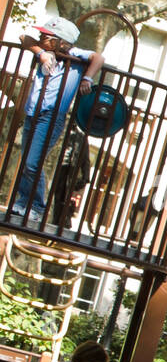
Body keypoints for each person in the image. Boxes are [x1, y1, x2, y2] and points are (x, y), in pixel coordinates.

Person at [11, 17, 104, 219]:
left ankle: (36, 206)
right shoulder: (45, 52)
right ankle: (23, 201)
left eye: (47, 36)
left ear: (60, 41)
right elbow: (23, 37)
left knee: (33, 162)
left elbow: (99, 58)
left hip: (51, 115)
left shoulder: (73, 55)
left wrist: (87, 77)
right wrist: (42, 53)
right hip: (32, 112)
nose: (41, 37)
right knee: (27, 160)